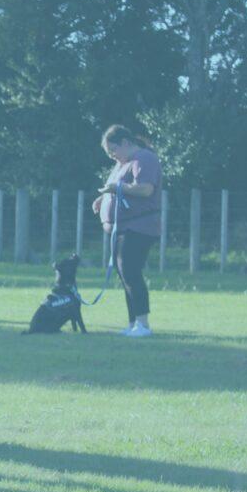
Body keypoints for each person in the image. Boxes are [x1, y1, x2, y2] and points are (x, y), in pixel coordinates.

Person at [91, 124, 162, 337]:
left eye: (113, 150)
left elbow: (145, 189)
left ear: (125, 143)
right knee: (125, 275)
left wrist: (116, 189)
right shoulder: (123, 163)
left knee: (131, 272)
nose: (112, 156)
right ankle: (133, 324)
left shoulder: (144, 159)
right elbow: (117, 187)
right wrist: (103, 198)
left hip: (139, 227)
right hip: (122, 229)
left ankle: (142, 324)